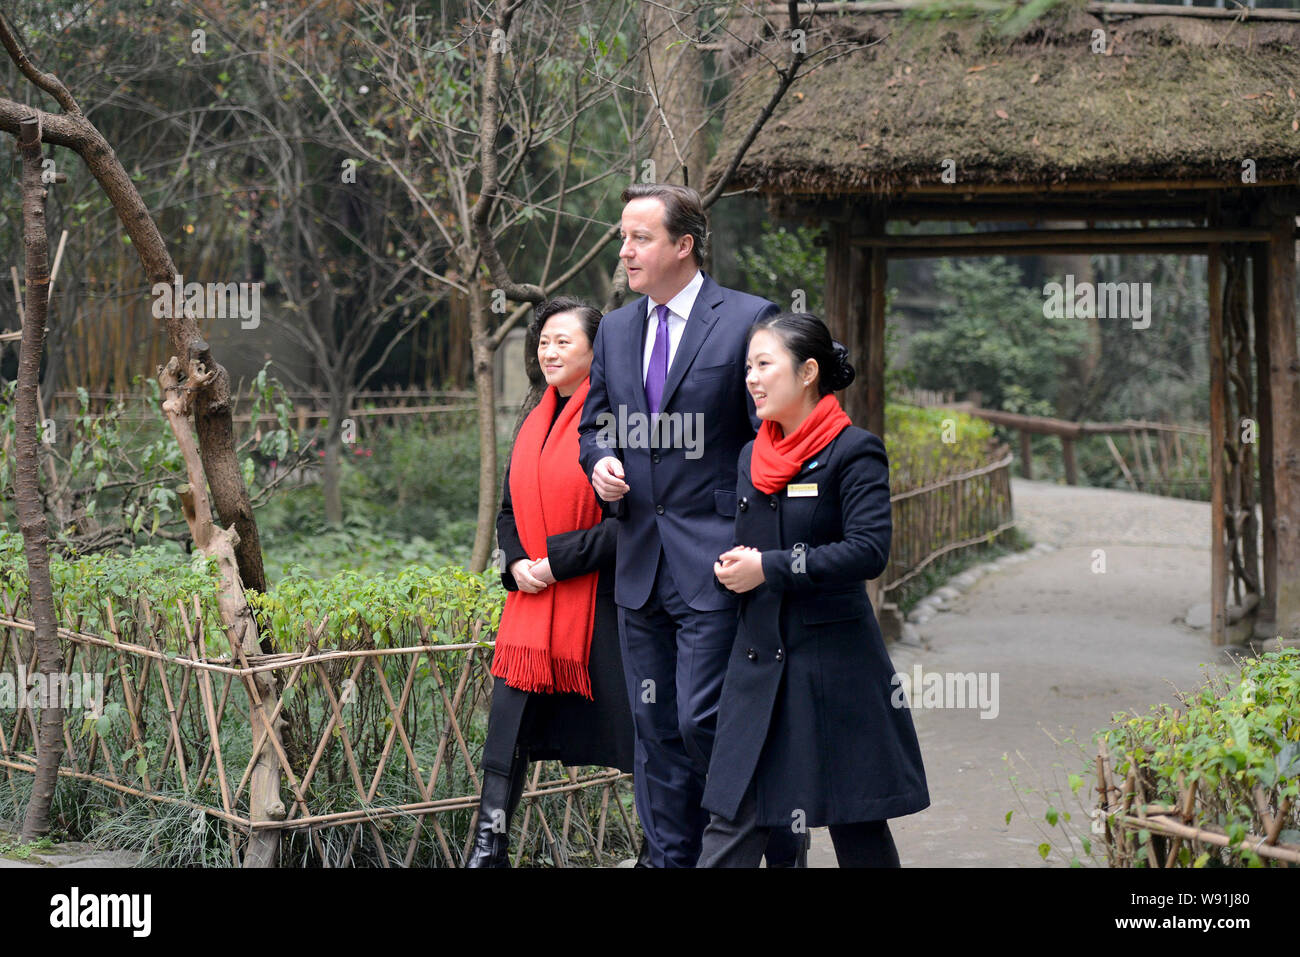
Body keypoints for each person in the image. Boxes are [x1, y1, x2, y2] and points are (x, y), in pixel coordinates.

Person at [577, 183, 802, 867]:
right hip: (639, 561)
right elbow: (594, 425)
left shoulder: (746, 320)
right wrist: (602, 461)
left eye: (640, 237)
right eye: (622, 236)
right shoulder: (615, 329)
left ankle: (774, 836)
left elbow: (774, 434)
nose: (625, 250)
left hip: (716, 558)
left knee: (699, 719)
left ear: (684, 243)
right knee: (652, 727)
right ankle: (669, 859)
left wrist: (760, 544)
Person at [699, 313, 930, 867]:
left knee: (856, 825)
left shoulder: (855, 452)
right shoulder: (750, 455)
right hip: (759, 665)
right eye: (748, 366)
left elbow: (869, 552)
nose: (751, 378)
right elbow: (754, 549)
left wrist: (770, 567)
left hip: (832, 669)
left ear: (807, 372)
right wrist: (735, 569)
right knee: (733, 819)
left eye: (763, 364)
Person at [466, 297, 634, 868]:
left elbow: (631, 527)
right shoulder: (534, 415)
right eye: (543, 341)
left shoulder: (615, 422)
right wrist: (517, 564)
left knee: (639, 734)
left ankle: (662, 846)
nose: (549, 350)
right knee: (506, 732)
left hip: (600, 606)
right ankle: (489, 846)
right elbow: (509, 507)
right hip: (531, 606)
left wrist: (555, 563)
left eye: (564, 340)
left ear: (598, 348)